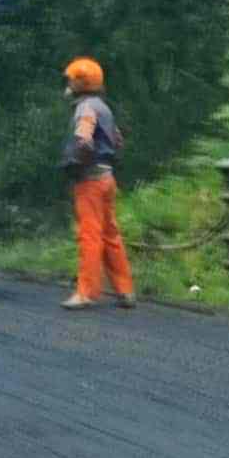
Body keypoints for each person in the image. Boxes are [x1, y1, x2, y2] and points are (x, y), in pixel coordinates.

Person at [59, 57, 135, 310]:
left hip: (90, 180)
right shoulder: (104, 107)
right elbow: (118, 141)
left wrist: (77, 163)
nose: (68, 84)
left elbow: (83, 139)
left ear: (81, 82)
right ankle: (125, 290)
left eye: (71, 80)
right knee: (110, 234)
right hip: (107, 178)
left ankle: (86, 292)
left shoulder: (85, 108)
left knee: (89, 236)